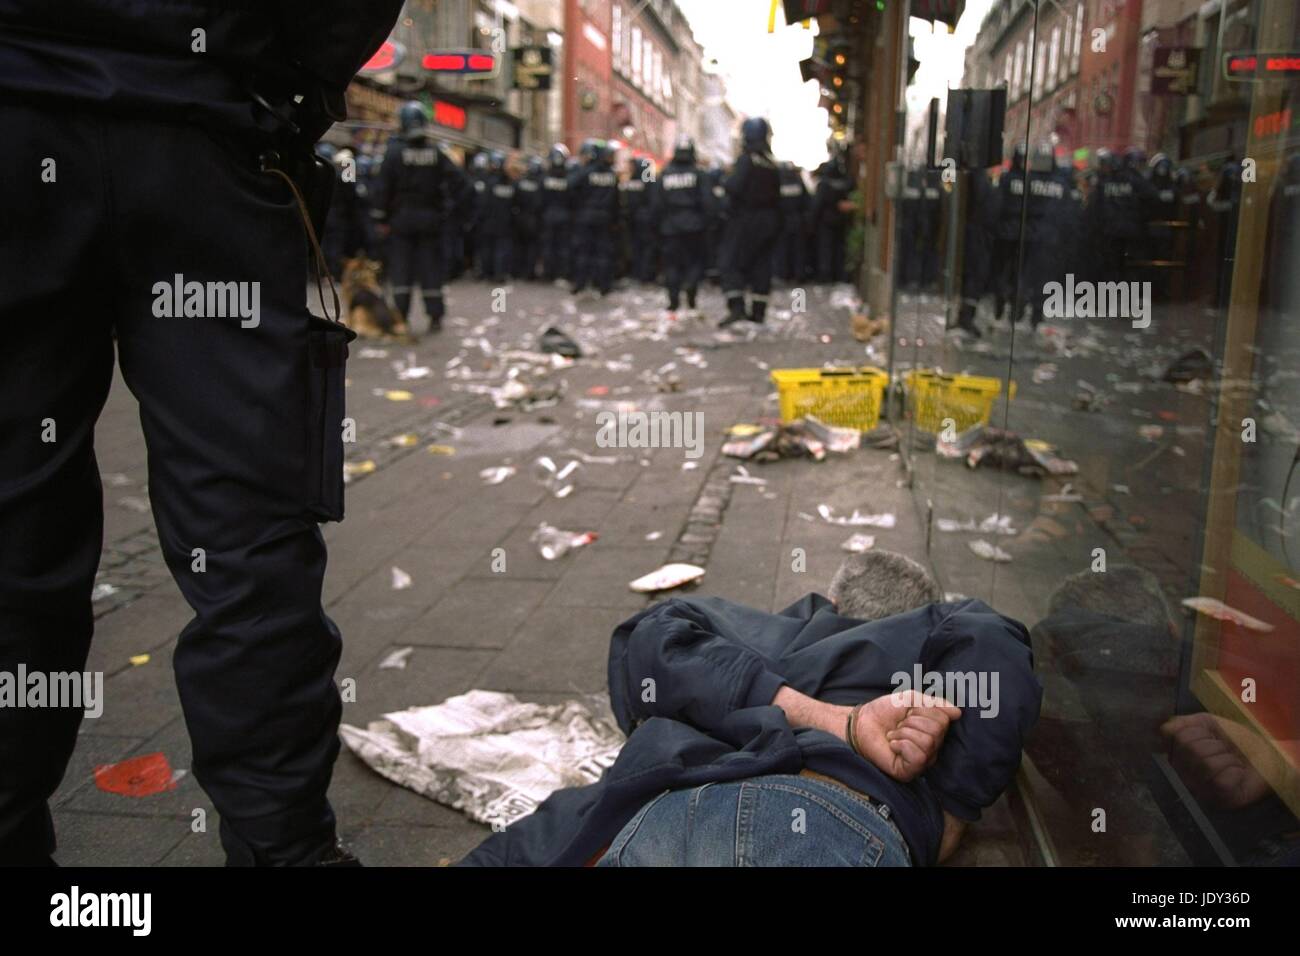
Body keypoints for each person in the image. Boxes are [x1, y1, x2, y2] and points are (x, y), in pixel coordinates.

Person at [0, 0, 406, 866]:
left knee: (13, 536)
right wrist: (279, 73)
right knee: (251, 539)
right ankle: (285, 852)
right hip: (206, 133)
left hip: (23, 111)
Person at [460, 551, 1041, 867]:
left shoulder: (758, 636)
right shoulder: (934, 637)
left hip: (674, 816)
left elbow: (652, 637)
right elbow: (993, 643)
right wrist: (951, 812)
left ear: (830, 601)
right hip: (823, 825)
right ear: (920, 615)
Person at [373, 101, 470, 337]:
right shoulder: (436, 153)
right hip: (430, 219)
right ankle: (435, 316)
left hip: (401, 219)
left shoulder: (394, 154)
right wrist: (449, 209)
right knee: (430, 269)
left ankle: (401, 316)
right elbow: (461, 183)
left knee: (401, 269)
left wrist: (380, 218)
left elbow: (382, 188)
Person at [719, 117, 782, 328]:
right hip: (768, 221)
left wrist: (725, 182)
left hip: (746, 220)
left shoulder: (747, 160)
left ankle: (737, 308)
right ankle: (758, 311)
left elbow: (734, 187)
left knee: (731, 262)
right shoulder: (771, 163)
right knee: (761, 265)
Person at [653, 137, 710, 314]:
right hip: (694, 226)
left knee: (672, 265)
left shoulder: (665, 174)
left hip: (670, 227)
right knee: (694, 263)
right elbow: (708, 202)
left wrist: (658, 225)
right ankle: (691, 295)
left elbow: (656, 203)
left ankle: (673, 302)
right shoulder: (699, 174)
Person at [568, 139, 620, 299]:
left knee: (584, 252)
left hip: (585, 216)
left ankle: (580, 284)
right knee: (603, 253)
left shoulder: (585, 172)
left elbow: (571, 187)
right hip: (605, 217)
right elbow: (616, 200)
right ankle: (603, 285)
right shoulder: (612, 175)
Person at [810, 147, 854, 283]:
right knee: (838, 249)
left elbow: (817, 205)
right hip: (841, 221)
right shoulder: (846, 182)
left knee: (826, 250)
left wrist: (812, 222)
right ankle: (838, 274)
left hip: (826, 222)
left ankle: (826, 275)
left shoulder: (824, 184)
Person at [476, 150, 516, 283]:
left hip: (489, 221)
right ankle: (500, 273)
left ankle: (488, 273)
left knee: (488, 248)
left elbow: (483, 203)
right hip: (504, 222)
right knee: (501, 249)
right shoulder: (508, 182)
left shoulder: (487, 182)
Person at [620, 156, 658, 283]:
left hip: (639, 221)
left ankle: (642, 273)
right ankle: (643, 274)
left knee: (642, 248)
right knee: (642, 248)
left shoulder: (633, 181)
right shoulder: (648, 180)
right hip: (640, 221)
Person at [539, 143, 573, 283]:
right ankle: (561, 273)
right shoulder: (569, 178)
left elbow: (539, 199)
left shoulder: (544, 178)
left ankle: (548, 273)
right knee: (562, 246)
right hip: (564, 216)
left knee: (548, 245)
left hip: (548, 216)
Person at [773, 161, 810, 283]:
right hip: (797, 220)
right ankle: (799, 274)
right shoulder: (797, 182)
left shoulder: (778, 183)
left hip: (782, 221)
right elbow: (807, 201)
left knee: (783, 248)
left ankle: (783, 274)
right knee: (799, 250)